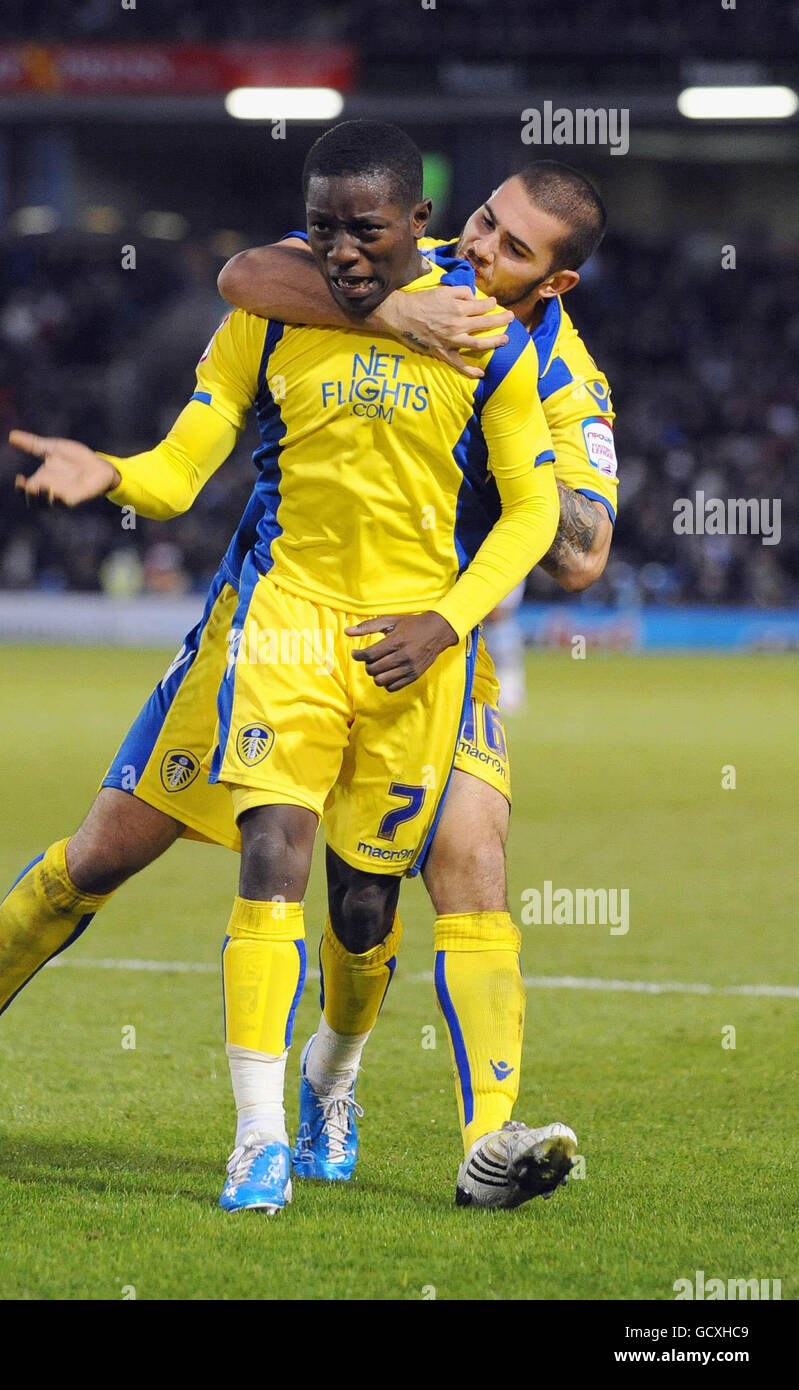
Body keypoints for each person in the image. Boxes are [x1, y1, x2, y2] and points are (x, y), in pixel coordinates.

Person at [0, 122, 561, 1214]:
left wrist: (446, 621)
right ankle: (183, 1118)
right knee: (169, 851)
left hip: (410, 652)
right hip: (272, 628)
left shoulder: (494, 338)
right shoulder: (270, 312)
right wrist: (114, 472)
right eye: (321, 224)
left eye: (362, 229)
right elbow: (188, 465)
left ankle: (333, 1082)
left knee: (367, 905)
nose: (335, 248)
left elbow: (539, 513)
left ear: (417, 223)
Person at [217, 159, 618, 1206]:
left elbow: (580, 553)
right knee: (338, 895)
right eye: (484, 220)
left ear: (554, 284)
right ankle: (315, 1085)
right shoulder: (407, 266)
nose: (482, 250)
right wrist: (395, 311)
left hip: (446, 640)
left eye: (513, 249)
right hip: (302, 615)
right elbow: (248, 275)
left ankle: (489, 1144)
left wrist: (505, 421)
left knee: (471, 854)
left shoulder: (562, 372)